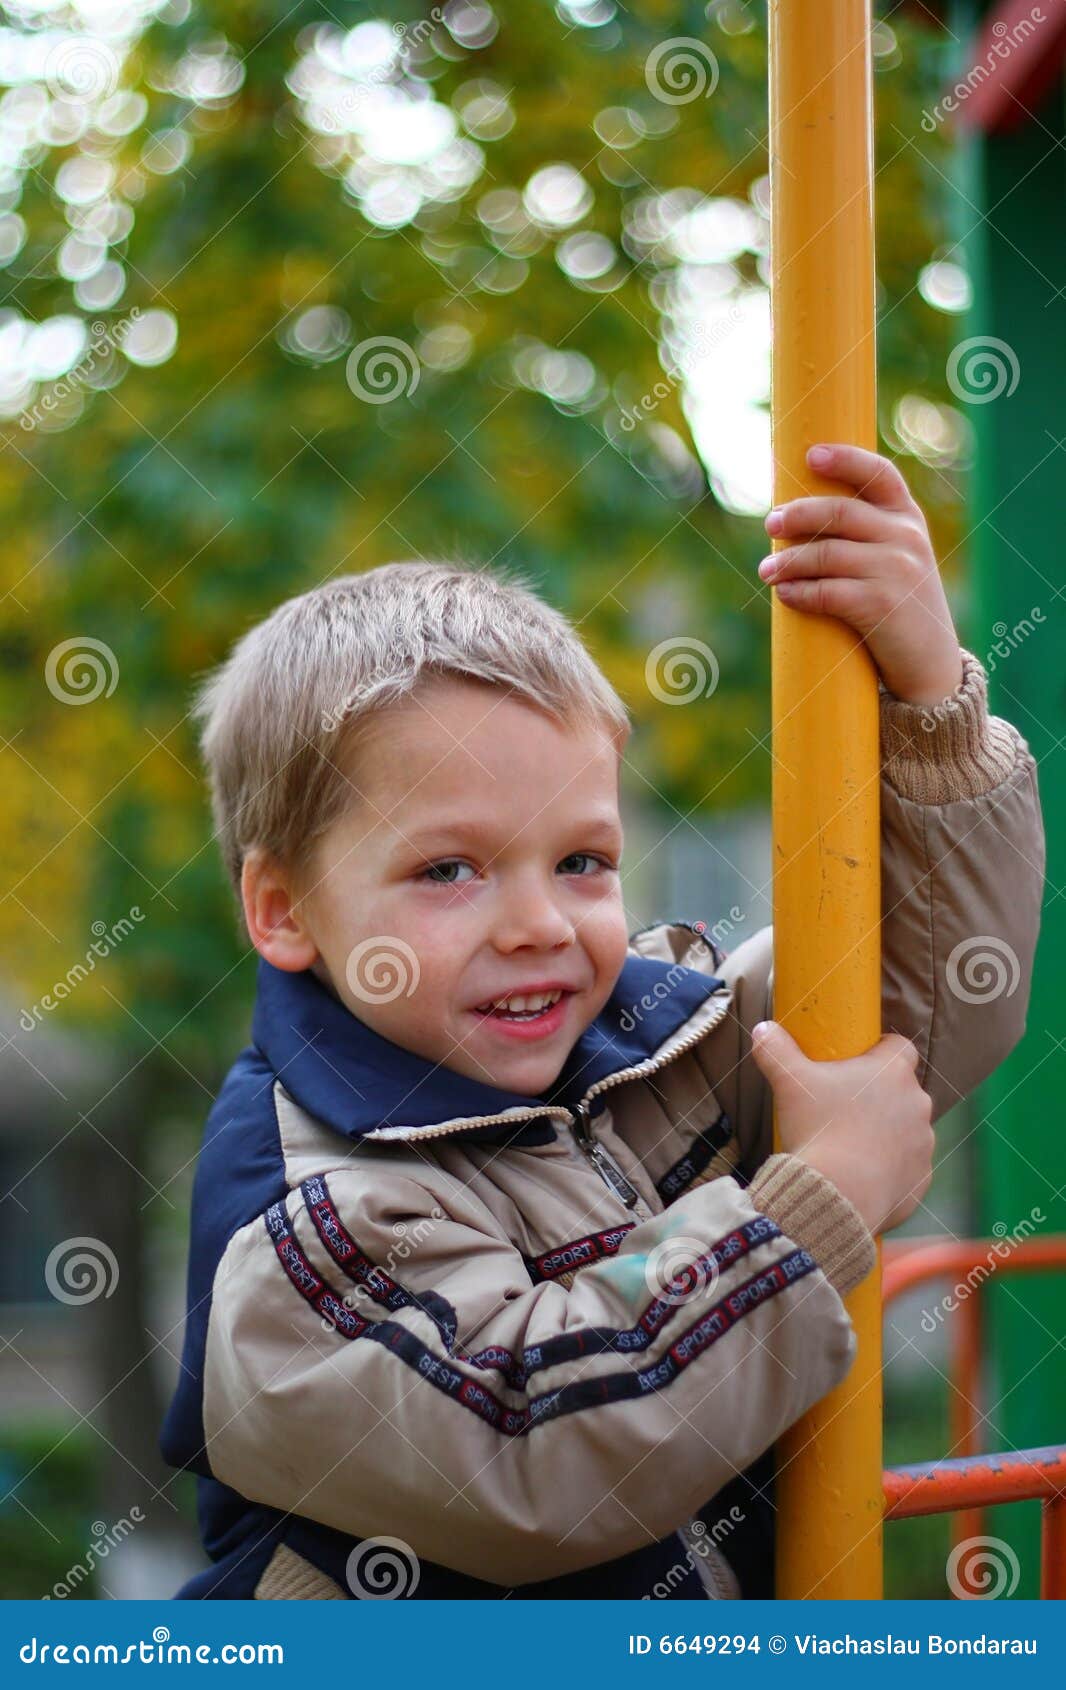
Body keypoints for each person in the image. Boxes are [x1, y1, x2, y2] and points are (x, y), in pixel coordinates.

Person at [159, 444, 1045, 1600]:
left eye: (580, 859)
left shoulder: (650, 1050)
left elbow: (928, 1001)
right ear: (283, 909)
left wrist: (929, 705)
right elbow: (536, 1447)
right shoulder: (304, 1222)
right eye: (448, 870)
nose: (537, 922)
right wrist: (815, 1202)